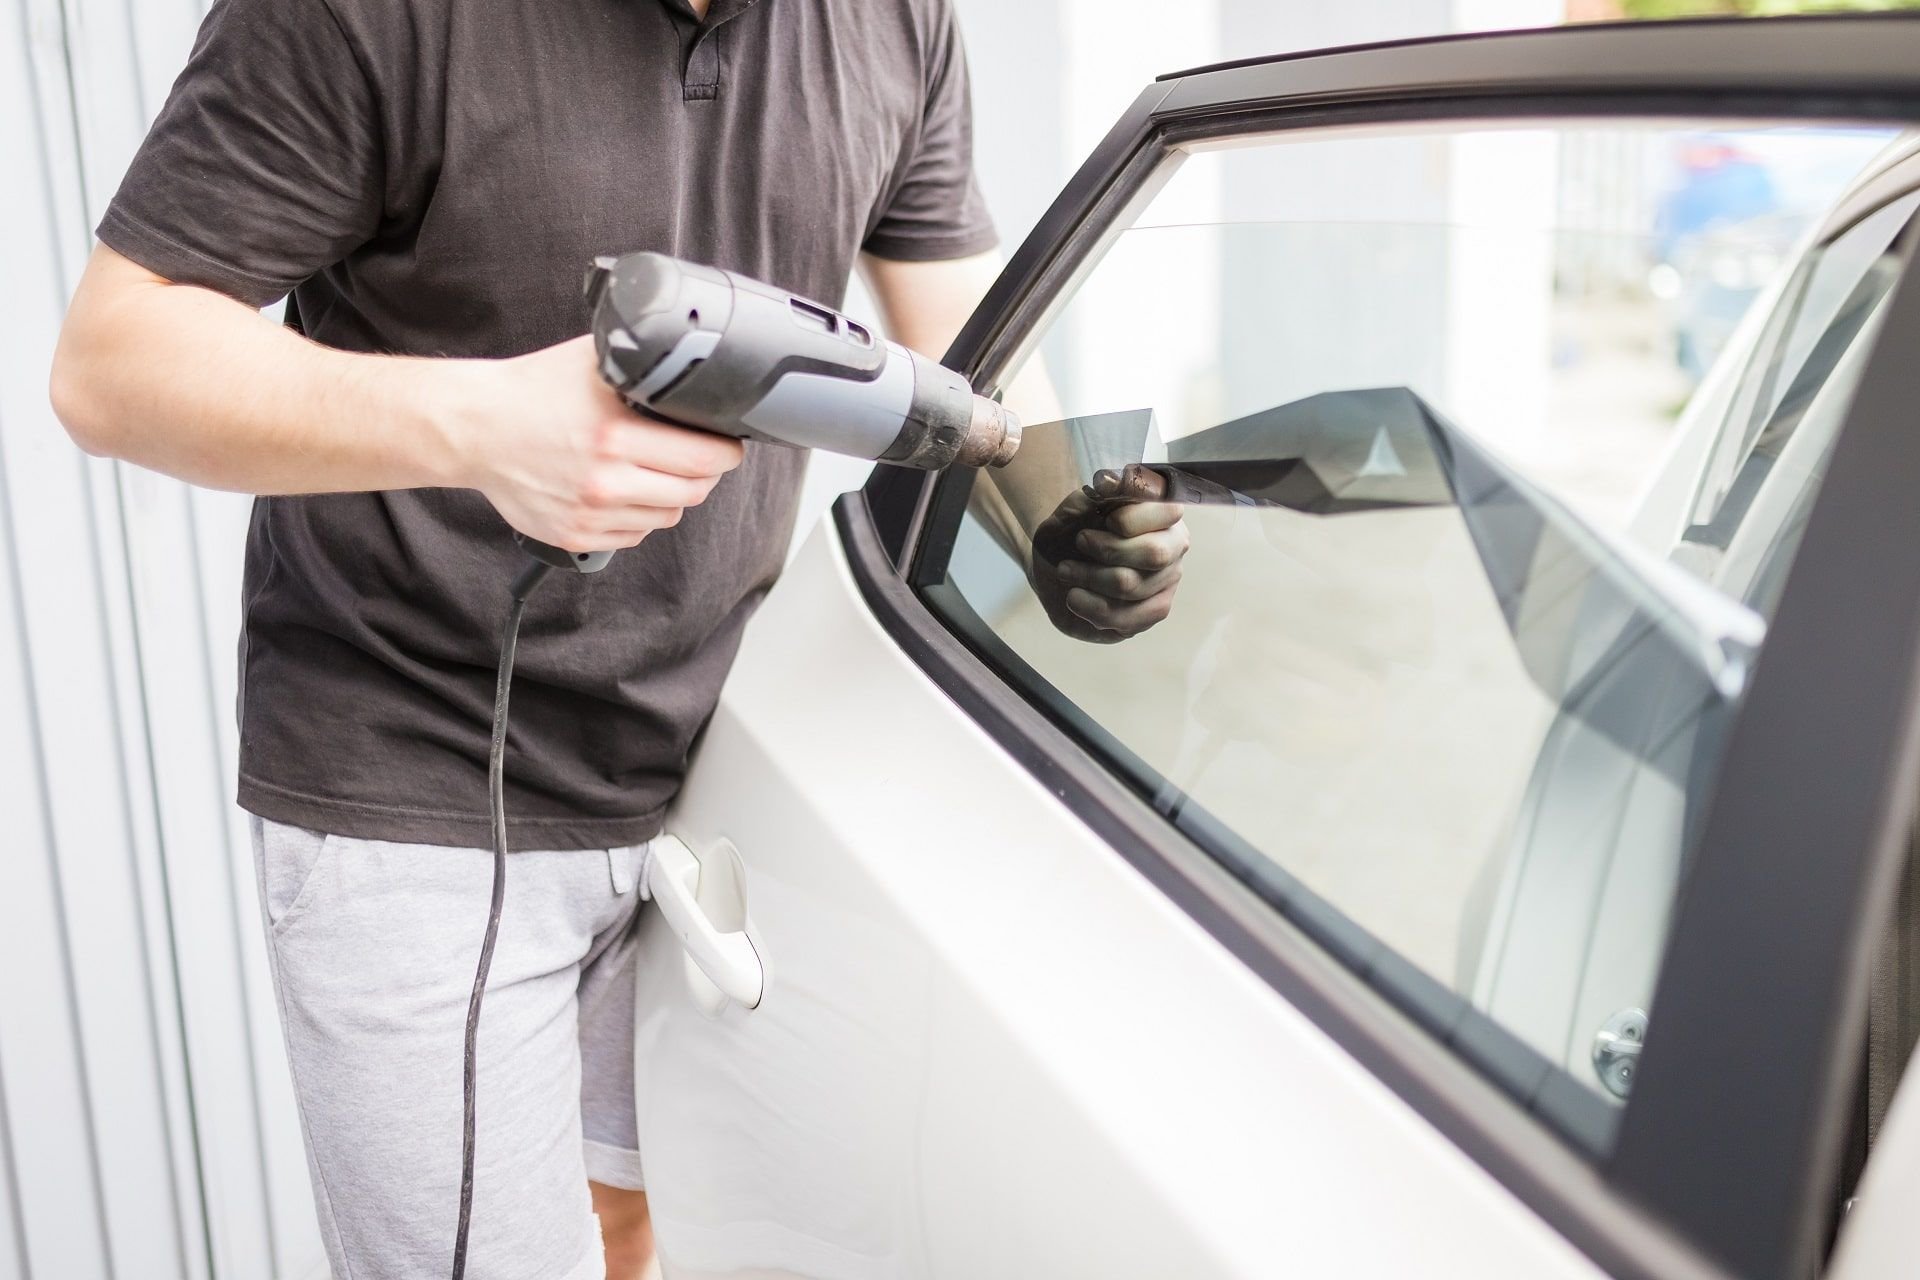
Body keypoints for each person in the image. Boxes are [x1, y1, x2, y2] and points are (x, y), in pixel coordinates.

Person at [49, 0, 1185, 1275]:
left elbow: (968, 336)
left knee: (642, 1212)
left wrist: (1064, 512)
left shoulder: (894, 19)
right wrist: (479, 424)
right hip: (422, 784)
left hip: (704, 772)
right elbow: (111, 362)